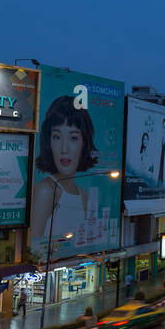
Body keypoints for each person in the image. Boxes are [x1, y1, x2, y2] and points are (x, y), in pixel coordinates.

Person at [32, 94, 102, 255]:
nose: (64, 148)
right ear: (48, 141)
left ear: (84, 142)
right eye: (56, 137)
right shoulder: (47, 190)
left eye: (73, 138)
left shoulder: (84, 196)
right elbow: (32, 249)